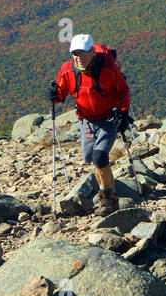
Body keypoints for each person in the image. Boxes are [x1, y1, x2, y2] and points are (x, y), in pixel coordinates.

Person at [48, 34, 132, 214]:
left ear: (93, 52)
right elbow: (61, 95)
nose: (79, 57)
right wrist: (54, 95)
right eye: (75, 53)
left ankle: (108, 200)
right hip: (85, 121)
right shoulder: (67, 70)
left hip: (108, 118)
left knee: (100, 156)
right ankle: (105, 189)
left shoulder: (108, 68)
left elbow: (123, 91)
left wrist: (123, 113)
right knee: (93, 159)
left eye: (83, 53)